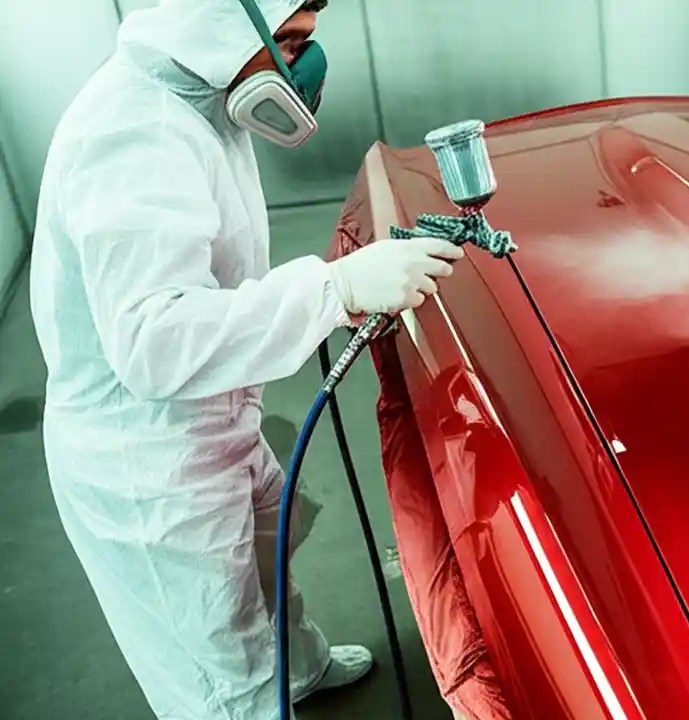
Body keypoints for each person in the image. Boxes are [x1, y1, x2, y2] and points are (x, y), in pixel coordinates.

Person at [27, 1, 462, 717]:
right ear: (218, 23)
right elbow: (154, 341)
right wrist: (338, 287)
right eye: (288, 42)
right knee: (219, 660)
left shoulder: (200, 101)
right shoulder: (135, 131)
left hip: (210, 419)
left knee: (260, 573)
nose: (304, 67)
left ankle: (298, 669)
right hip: (148, 462)